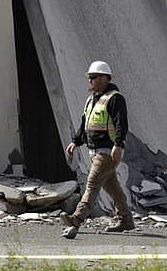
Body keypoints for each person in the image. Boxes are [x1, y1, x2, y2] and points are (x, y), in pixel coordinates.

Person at [60, 60, 134, 239]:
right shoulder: (92, 100)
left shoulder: (115, 98)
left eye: (93, 77)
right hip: (94, 152)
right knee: (112, 187)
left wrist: (118, 144)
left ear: (105, 78)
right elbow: (85, 124)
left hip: (107, 152)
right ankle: (126, 220)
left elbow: (121, 124)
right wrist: (75, 142)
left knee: (92, 184)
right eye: (89, 77)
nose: (90, 80)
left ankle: (76, 219)